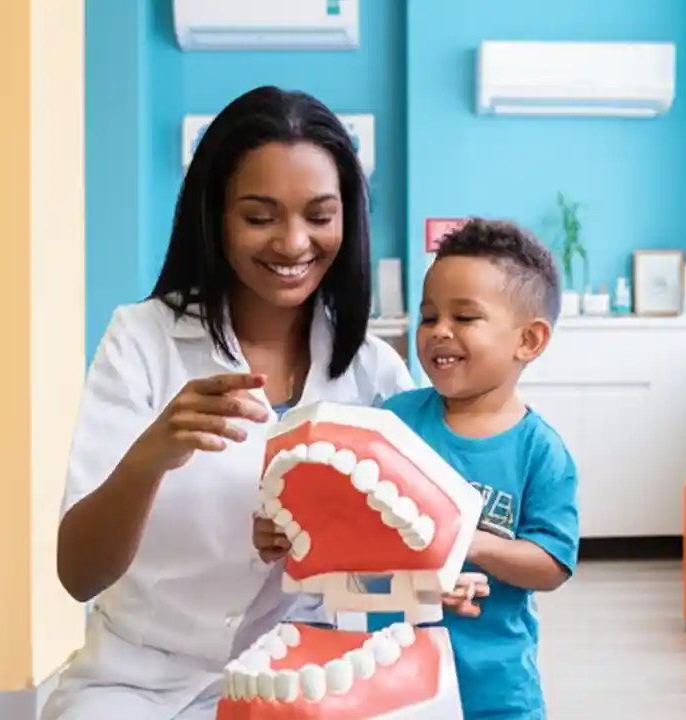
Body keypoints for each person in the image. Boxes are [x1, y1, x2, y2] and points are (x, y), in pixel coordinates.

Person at [41, 85, 414, 720]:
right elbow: (78, 573)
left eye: (319, 215)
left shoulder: (373, 371)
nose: (294, 243)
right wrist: (150, 457)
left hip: (301, 676)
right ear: (215, 216)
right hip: (136, 682)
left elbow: (408, 556)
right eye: (261, 216)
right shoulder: (142, 340)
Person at [255, 218, 581, 719]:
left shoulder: (542, 452)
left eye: (465, 317)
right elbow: (350, 523)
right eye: (429, 317)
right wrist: (291, 530)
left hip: (495, 692)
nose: (440, 332)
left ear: (530, 340)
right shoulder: (393, 423)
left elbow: (552, 564)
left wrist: (459, 543)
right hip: (390, 678)